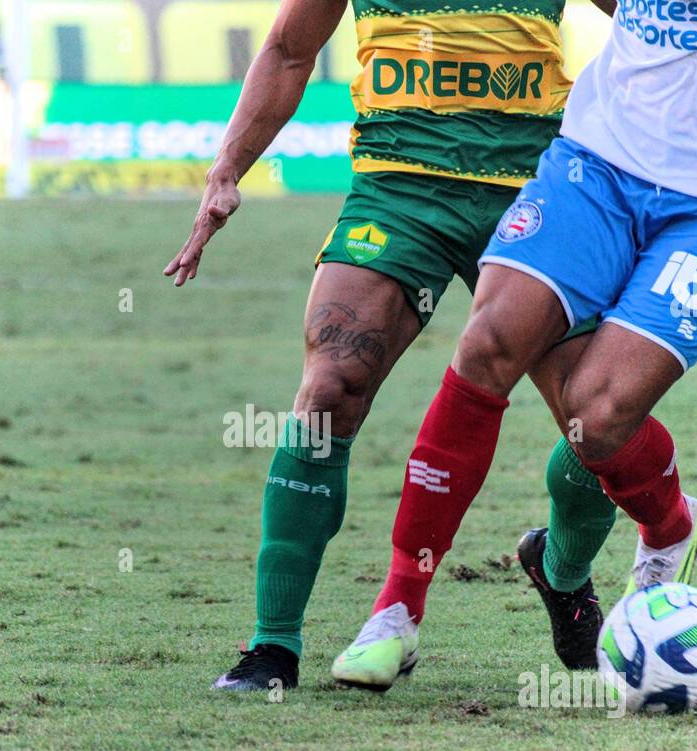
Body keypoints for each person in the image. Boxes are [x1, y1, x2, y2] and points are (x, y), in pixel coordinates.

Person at [350, 0, 697, 681]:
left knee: (597, 415)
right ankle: (397, 613)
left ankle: (671, 527)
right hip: (598, 161)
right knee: (489, 342)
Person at [165, 0, 624, 692]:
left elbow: (662, 15)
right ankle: (272, 648)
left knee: (600, 417)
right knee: (327, 392)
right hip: (397, 188)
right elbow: (290, 50)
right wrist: (227, 169)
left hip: (533, 192)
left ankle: (559, 569)